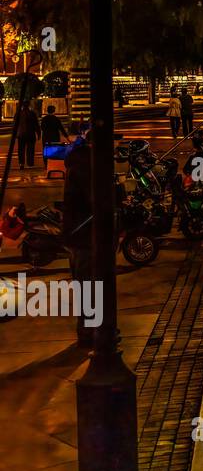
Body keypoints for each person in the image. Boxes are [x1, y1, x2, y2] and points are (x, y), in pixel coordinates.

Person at [62, 134, 94, 347]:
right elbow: (95, 201)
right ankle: (91, 330)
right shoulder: (87, 169)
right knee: (92, 286)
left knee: (86, 286)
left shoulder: (76, 166)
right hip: (86, 235)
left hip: (76, 235)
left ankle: (90, 328)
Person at [14, 100, 38, 170]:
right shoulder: (32, 113)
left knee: (21, 149)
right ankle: (30, 163)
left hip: (21, 134)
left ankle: (21, 163)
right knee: (30, 149)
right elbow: (36, 124)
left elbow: (15, 124)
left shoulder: (18, 114)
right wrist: (38, 132)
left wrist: (15, 133)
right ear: (28, 105)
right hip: (30, 134)